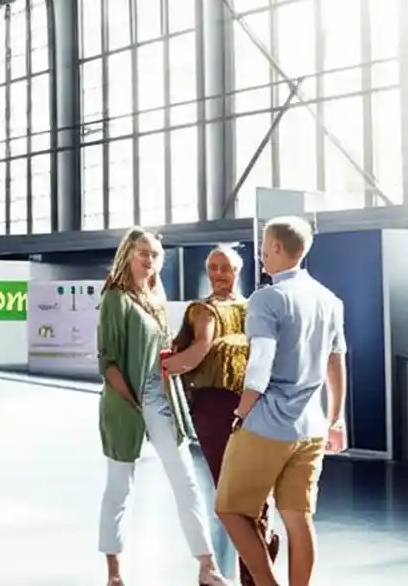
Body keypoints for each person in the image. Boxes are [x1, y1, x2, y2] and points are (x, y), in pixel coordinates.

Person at [215, 217, 348, 586]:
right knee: (298, 518)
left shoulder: (268, 298)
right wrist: (336, 421)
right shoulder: (329, 300)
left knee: (229, 508)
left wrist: (241, 413)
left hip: (268, 423)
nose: (260, 255)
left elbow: (260, 366)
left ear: (275, 247)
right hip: (313, 426)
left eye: (262, 246)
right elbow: (336, 362)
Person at [97, 227, 232, 586]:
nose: (150, 260)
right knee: (119, 487)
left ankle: (207, 566)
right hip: (126, 403)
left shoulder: (156, 298)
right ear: (128, 253)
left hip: (162, 400)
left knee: (186, 481)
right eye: (143, 252)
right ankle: (114, 572)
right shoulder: (115, 299)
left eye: (155, 255)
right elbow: (107, 361)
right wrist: (132, 402)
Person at [163, 245, 280, 586]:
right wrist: (163, 367)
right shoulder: (203, 310)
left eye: (225, 267)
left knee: (257, 492)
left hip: (256, 402)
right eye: (213, 266)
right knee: (233, 491)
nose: (218, 273)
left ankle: (257, 571)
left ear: (238, 270)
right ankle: (255, 575)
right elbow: (199, 349)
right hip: (215, 407)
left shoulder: (254, 308)